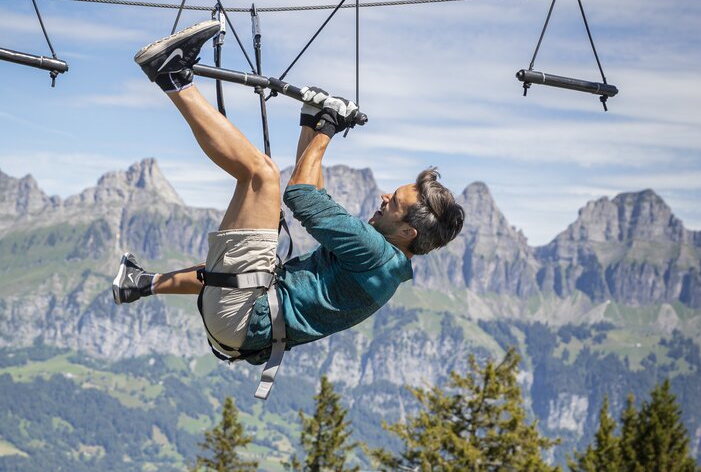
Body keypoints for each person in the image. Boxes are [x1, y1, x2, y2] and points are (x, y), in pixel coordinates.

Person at [112, 20, 465, 396]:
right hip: (241, 326)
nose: (383, 198)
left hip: (244, 317)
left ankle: (173, 77)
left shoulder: (375, 252)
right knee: (240, 264)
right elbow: (316, 192)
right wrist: (310, 121)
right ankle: (139, 284)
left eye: (393, 203)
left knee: (261, 174)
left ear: (409, 231)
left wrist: (327, 129)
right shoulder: (387, 264)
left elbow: (300, 194)